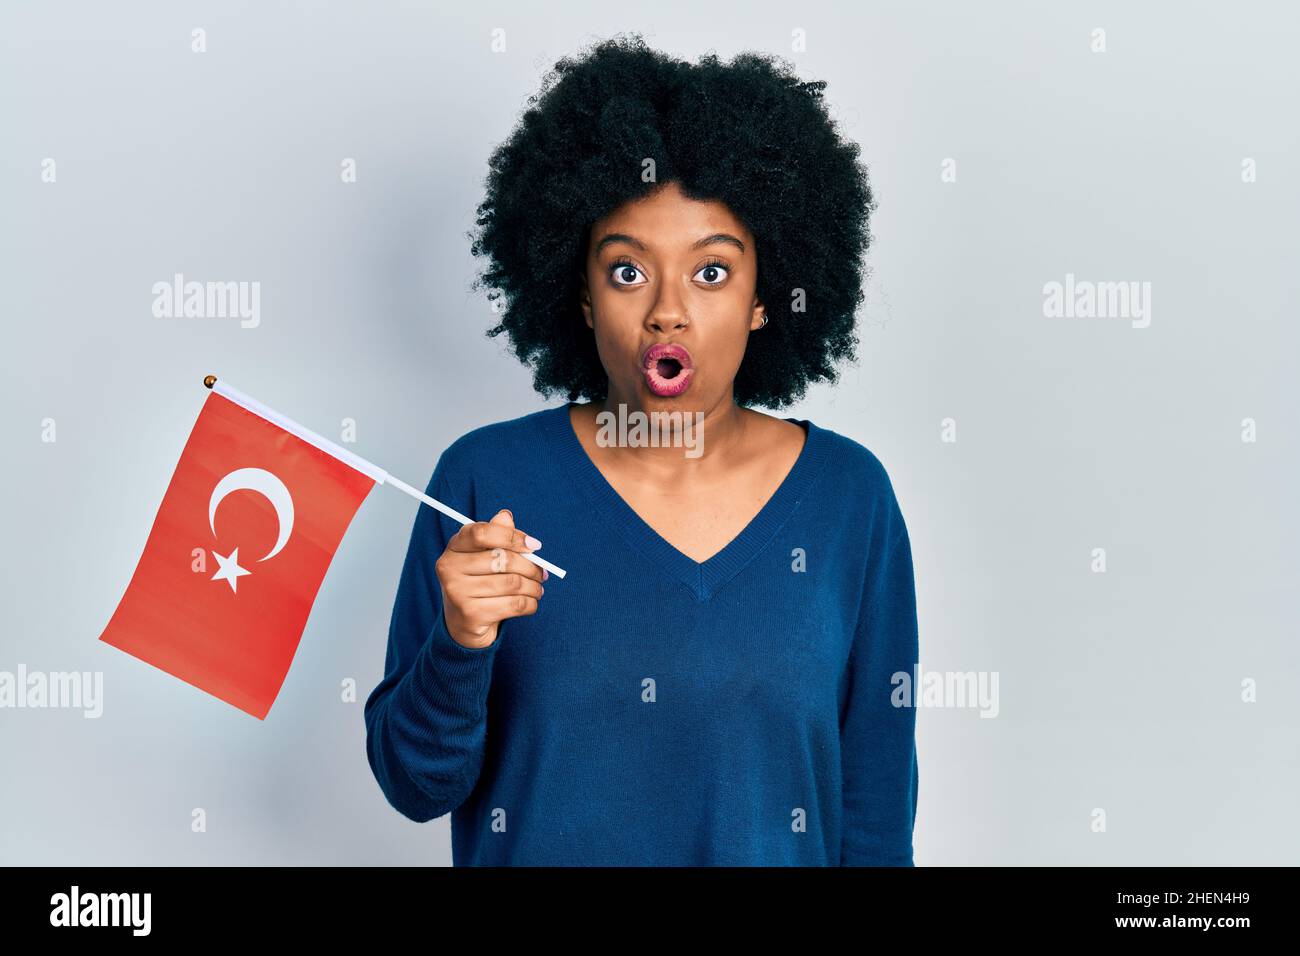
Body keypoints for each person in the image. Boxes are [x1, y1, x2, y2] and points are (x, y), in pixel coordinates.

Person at [363, 33, 919, 866]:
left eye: (711, 273)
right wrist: (459, 643)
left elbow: (875, 819)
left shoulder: (850, 500)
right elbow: (416, 785)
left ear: (766, 300)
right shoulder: (486, 481)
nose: (667, 311)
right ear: (579, 297)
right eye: (627, 272)